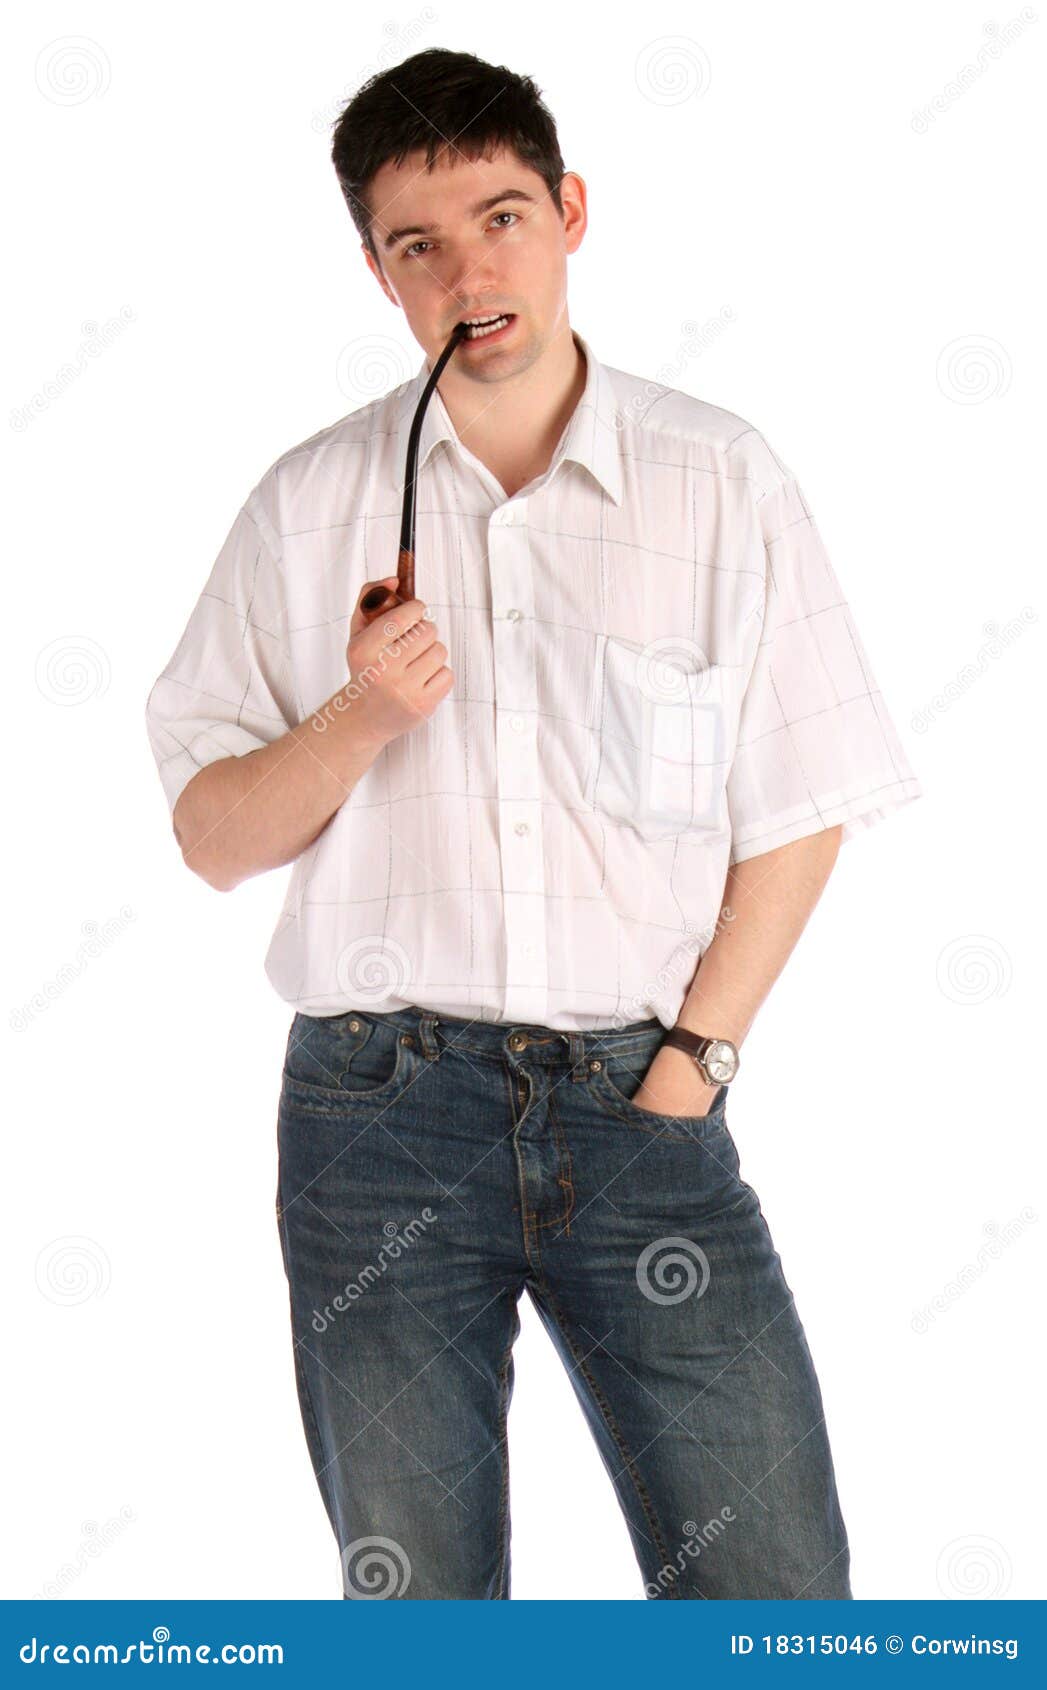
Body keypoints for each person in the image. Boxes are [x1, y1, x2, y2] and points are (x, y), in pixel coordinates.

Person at [144, 47, 922, 1600]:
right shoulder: (306, 506)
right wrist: (360, 712)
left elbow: (806, 803)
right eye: (416, 245)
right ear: (378, 274)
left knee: (775, 1594)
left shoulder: (719, 480)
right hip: (376, 1118)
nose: (467, 272)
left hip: (645, 1102)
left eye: (501, 217)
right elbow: (212, 836)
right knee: (419, 1607)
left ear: (571, 212)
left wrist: (693, 1066)